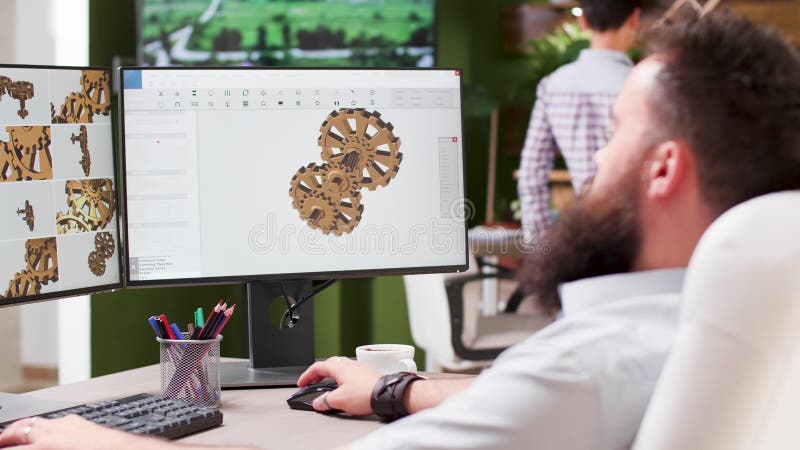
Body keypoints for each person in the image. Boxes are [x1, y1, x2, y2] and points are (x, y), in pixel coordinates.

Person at [2, 11, 800, 450]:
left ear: (663, 169)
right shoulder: (716, 332)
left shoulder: (587, 366)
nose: (588, 171)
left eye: (616, 132)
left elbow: (563, 394)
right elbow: (550, 403)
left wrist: (105, 447)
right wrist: (401, 387)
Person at [517, 0, 640, 234]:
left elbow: (531, 172)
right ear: (634, 18)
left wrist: (541, 246)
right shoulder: (640, 86)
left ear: (582, 20)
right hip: (633, 233)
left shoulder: (553, 85)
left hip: (581, 234)